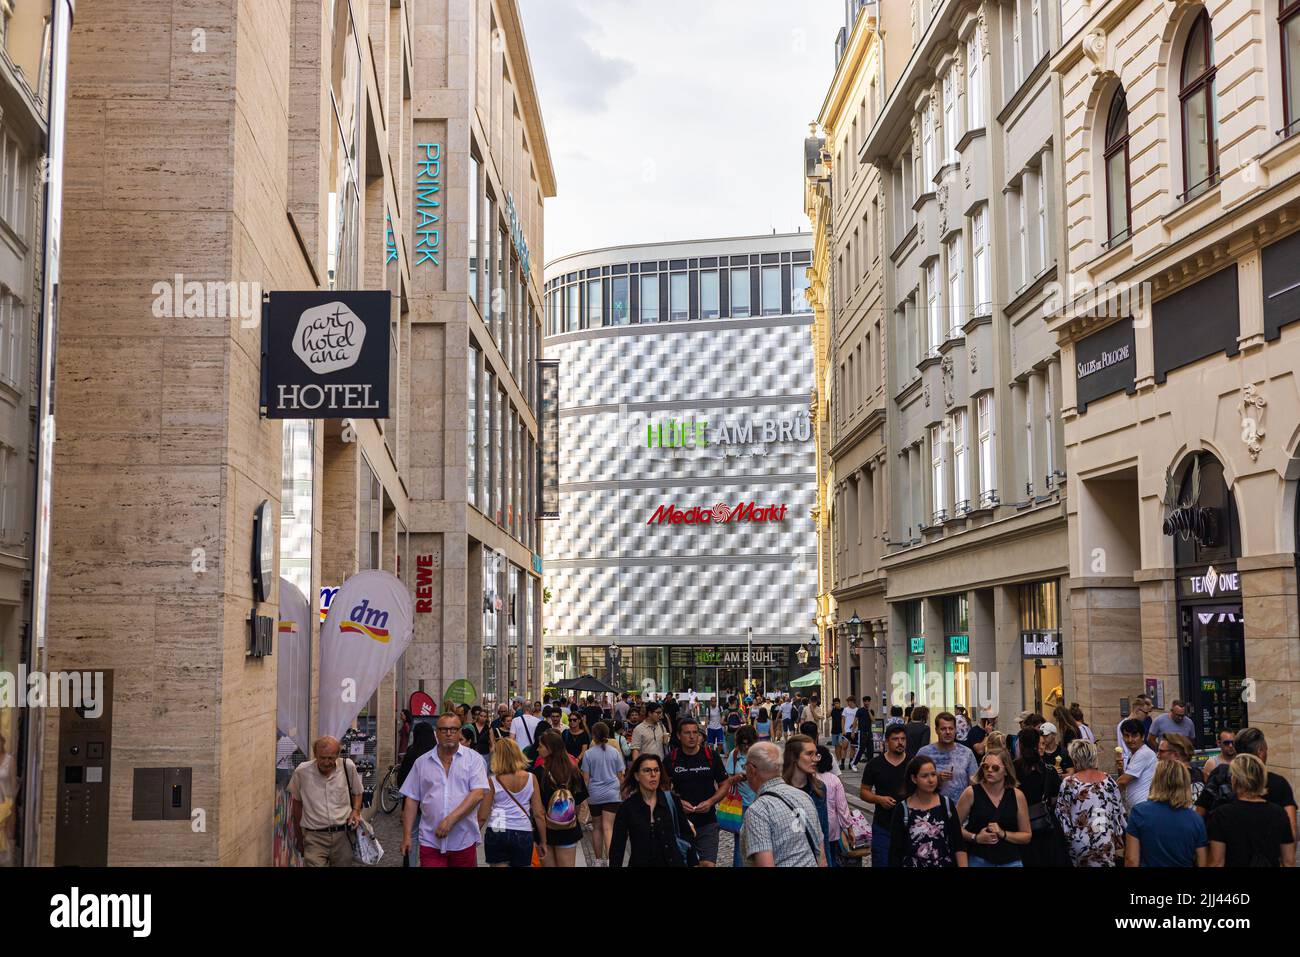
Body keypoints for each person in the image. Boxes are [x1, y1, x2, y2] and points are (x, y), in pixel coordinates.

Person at [399, 712, 489, 868]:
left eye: (454, 729)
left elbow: (478, 794)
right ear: (436, 733)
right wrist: (407, 836)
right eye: (444, 729)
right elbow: (412, 799)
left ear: (460, 732)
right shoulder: (422, 762)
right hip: (430, 840)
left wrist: (450, 820)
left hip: (463, 839)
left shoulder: (474, 759)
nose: (449, 733)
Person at [1196, 727, 1297, 839]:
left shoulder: (1220, 775)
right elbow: (1291, 830)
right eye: (1266, 749)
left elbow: (1199, 815)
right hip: (1268, 852)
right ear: (1260, 751)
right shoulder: (1279, 783)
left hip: (1226, 850)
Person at [739, 741, 826, 867]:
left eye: (745, 766)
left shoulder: (758, 810)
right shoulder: (804, 797)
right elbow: (822, 859)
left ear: (752, 769)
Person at [1206, 754, 1296, 867]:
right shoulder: (1279, 813)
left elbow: (1217, 862)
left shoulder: (1222, 814)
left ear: (1236, 780)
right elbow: (1289, 861)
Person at [663, 717, 731, 866]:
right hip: (681, 823)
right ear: (679, 736)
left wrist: (711, 801)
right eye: (687, 733)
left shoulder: (711, 756)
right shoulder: (671, 760)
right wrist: (678, 803)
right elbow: (663, 789)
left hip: (708, 822)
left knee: (708, 864)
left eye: (695, 732)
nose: (692, 736)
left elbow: (725, 783)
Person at [288, 735, 364, 867]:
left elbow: (357, 792)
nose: (326, 762)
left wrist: (356, 811)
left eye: (331, 758)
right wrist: (299, 837)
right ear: (315, 754)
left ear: (337, 755)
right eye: (322, 757)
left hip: (343, 836)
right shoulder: (302, 772)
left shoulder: (348, 767)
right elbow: (297, 804)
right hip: (314, 837)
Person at [607, 754, 695, 867]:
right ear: (637, 776)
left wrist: (693, 862)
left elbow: (686, 833)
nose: (653, 775)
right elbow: (617, 847)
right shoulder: (627, 807)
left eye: (656, 770)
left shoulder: (671, 800)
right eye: (647, 771)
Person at [1055, 738, 1126, 867]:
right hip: (1105, 840)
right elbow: (1118, 811)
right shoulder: (1108, 781)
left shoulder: (1069, 783)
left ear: (1075, 758)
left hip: (1079, 842)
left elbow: (1062, 816)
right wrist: (1118, 834)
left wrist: (1069, 838)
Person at [478, 737, 546, 868]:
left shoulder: (493, 781)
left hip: (498, 827)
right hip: (522, 829)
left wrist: (473, 836)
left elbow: (482, 816)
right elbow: (538, 813)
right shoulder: (531, 778)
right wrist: (543, 841)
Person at [1124, 759, 1206, 867]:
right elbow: (1203, 862)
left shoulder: (1139, 812)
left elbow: (1131, 860)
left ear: (1156, 780)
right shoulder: (1195, 819)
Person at [888, 755, 968, 867]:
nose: (930, 780)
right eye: (924, 776)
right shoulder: (903, 809)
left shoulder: (946, 804)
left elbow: (958, 843)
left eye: (933, 774)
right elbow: (895, 852)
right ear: (914, 779)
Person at [957, 750, 1031, 868]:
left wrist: (1003, 833)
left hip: (1010, 860)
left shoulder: (1017, 795)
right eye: (985, 767)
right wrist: (975, 837)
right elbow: (954, 827)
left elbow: (1026, 836)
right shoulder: (971, 793)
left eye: (995, 767)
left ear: (1006, 770)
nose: (989, 770)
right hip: (979, 858)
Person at [784, 734, 848, 866]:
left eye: (816, 754)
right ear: (794, 757)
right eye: (809, 754)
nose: (815, 759)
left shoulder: (819, 788)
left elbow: (823, 833)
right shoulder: (780, 790)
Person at [533, 730, 587, 867]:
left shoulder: (538, 773)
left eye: (540, 746)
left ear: (549, 749)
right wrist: (569, 816)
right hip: (568, 829)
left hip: (545, 830)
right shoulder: (573, 771)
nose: (537, 749)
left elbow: (536, 809)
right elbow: (579, 801)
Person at [1014, 728, 1066, 867]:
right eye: (1040, 744)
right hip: (1043, 828)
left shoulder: (1012, 770)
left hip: (1016, 827)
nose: (1042, 747)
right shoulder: (1049, 770)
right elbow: (1054, 800)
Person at [860, 724, 910, 868]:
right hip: (883, 825)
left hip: (909, 825)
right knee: (882, 862)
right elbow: (864, 791)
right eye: (895, 739)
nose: (900, 742)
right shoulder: (874, 764)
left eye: (903, 739)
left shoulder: (913, 763)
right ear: (887, 742)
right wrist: (879, 799)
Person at [580, 721, 625, 867]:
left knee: (597, 827)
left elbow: (585, 778)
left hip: (595, 794)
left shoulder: (588, 754)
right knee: (608, 827)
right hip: (612, 793)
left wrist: (583, 799)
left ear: (593, 736)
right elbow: (621, 776)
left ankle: (598, 860)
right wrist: (622, 792)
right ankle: (612, 860)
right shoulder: (615, 752)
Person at [394, 722, 437, 865]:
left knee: (412, 835)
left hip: (413, 802)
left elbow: (402, 779)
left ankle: (411, 863)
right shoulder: (436, 753)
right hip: (432, 804)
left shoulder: (412, 752)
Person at [918, 711, 980, 805]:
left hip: (960, 809)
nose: (947, 732)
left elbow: (975, 782)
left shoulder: (966, 753)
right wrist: (937, 778)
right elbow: (915, 781)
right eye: (943, 729)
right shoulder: (924, 753)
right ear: (936, 730)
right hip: (932, 809)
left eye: (951, 728)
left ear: (955, 730)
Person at [723, 726, 760, 867]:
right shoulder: (734, 755)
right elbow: (728, 780)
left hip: (759, 802)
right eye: (743, 744)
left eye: (748, 743)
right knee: (741, 842)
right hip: (741, 804)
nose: (746, 747)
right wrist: (738, 777)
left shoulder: (759, 754)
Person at [1115, 718, 1157, 813]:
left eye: (1134, 735)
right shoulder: (1133, 754)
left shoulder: (1144, 753)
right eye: (1126, 736)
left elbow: (1122, 782)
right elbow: (1125, 782)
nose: (1130, 740)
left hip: (1144, 808)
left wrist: (1103, 792)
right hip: (1137, 808)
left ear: (1142, 737)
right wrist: (1120, 769)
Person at [1157, 733, 1203, 802]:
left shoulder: (1169, 779)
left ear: (1175, 755)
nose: (1157, 755)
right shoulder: (1199, 774)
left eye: (1161, 751)